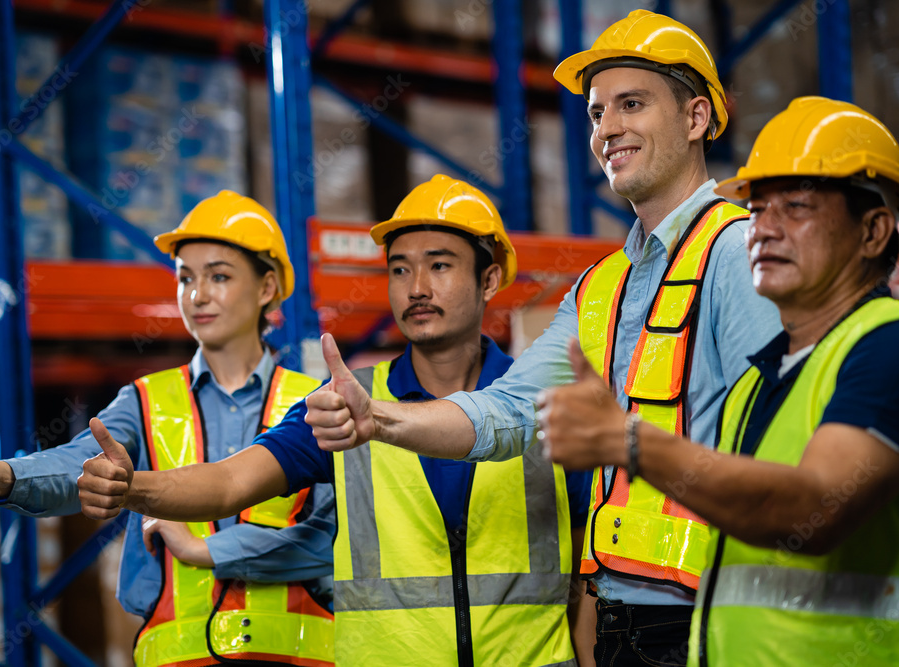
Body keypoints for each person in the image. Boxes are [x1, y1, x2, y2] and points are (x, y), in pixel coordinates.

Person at [301, 10, 781, 666]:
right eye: (595, 113)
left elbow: (785, 456)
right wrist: (377, 417)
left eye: (631, 105)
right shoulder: (600, 287)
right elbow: (510, 412)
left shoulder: (741, 254)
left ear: (696, 118)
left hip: (718, 616)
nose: (607, 128)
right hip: (627, 620)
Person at [78, 175, 589, 667]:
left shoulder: (544, 403)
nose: (416, 288)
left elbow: (592, 568)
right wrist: (132, 487)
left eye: (439, 266)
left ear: (490, 278)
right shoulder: (344, 403)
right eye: (399, 269)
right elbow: (232, 479)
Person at [538, 96, 899, 666]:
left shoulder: (890, 346)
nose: (765, 229)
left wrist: (631, 441)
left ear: (874, 231)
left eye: (798, 207)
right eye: (759, 209)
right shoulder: (760, 380)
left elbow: (816, 509)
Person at [0, 192, 336, 667]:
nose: (198, 295)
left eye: (219, 276)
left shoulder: (318, 403)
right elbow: (79, 463)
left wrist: (206, 550)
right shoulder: (147, 400)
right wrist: (5, 477)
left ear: (267, 287)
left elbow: (334, 540)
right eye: (185, 278)